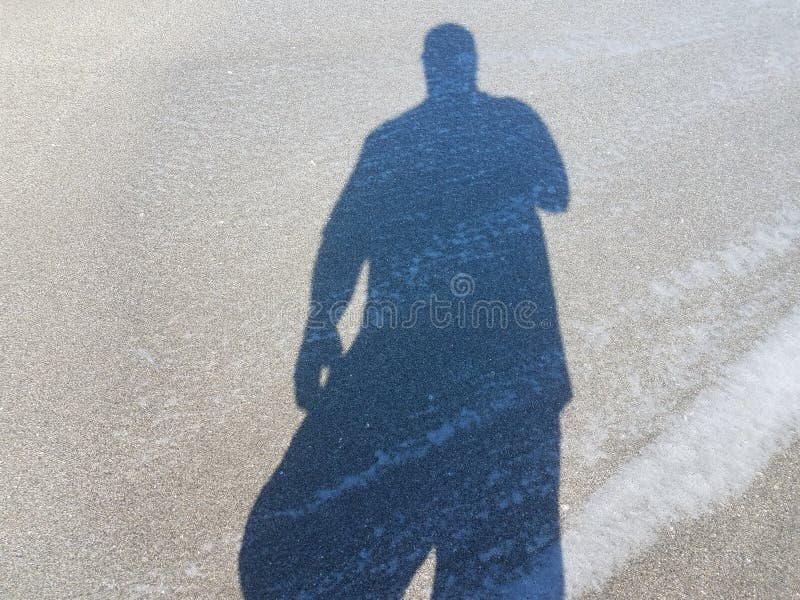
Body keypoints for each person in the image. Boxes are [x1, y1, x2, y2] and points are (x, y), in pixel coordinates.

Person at [240, 23, 571, 599]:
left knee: (389, 533)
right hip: (509, 367)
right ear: (469, 65)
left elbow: (342, 242)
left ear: (431, 68)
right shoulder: (512, 122)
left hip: (413, 370)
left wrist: (320, 329)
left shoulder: (390, 143)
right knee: (496, 559)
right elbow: (556, 193)